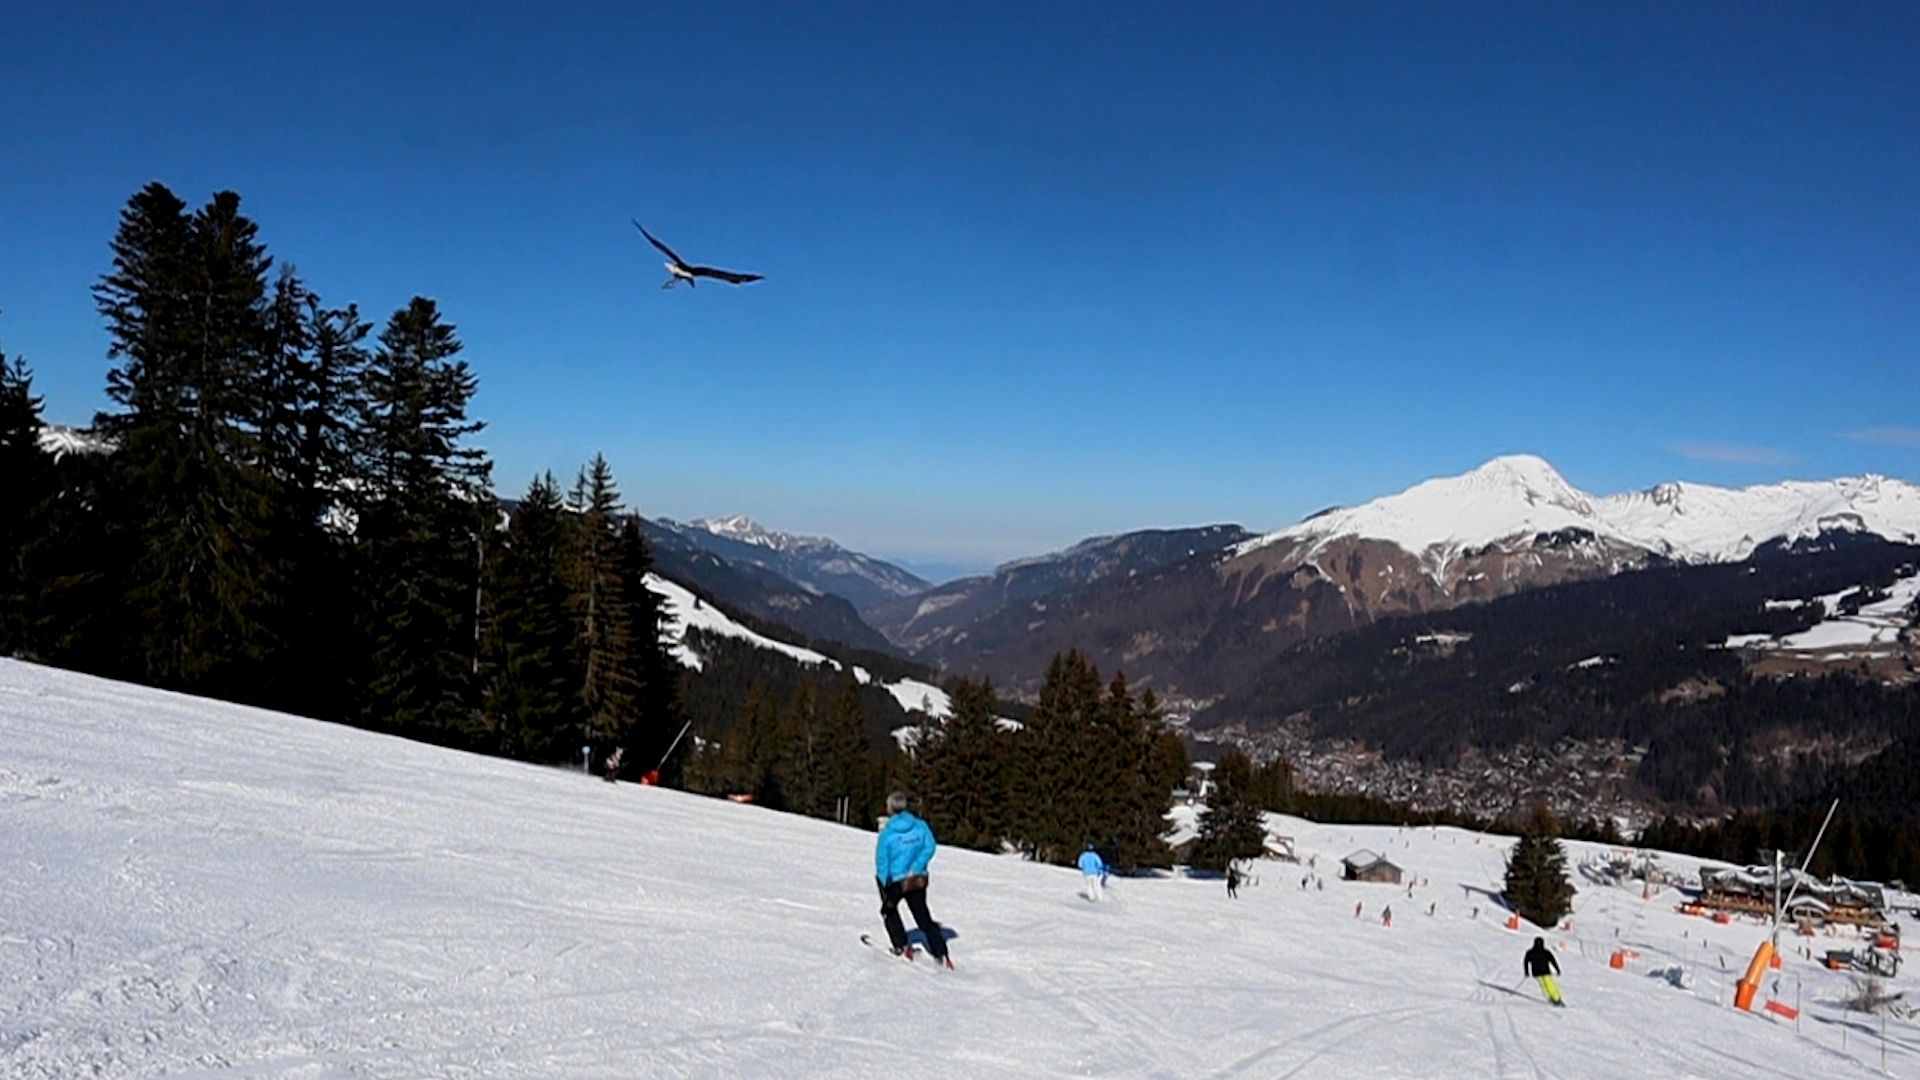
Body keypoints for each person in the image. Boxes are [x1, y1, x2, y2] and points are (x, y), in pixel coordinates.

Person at [875, 790, 951, 967]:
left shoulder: (887, 833)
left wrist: (883, 880)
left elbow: (882, 860)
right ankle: (941, 952)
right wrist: (916, 867)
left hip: (895, 881)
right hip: (917, 880)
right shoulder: (920, 826)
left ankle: (901, 945)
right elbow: (929, 847)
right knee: (922, 916)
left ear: (890, 808)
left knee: (889, 910)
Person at [1524, 936, 1564, 1007]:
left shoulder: (1530, 952)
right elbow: (1553, 961)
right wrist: (1557, 969)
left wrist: (1526, 972)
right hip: (1545, 972)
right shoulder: (1546, 952)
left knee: (1543, 986)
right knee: (1550, 985)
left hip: (1536, 973)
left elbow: (1526, 962)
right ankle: (1557, 999)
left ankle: (1550, 998)